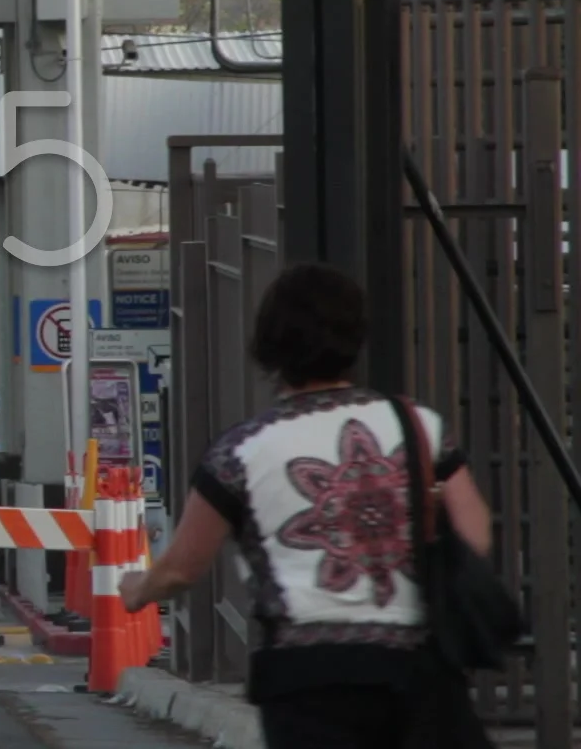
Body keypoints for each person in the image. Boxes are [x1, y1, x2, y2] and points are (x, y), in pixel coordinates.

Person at [120, 263, 496, 748]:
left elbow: (180, 569)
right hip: (417, 671)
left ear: (268, 345)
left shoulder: (240, 452)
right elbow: (475, 531)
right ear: (355, 338)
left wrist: (137, 591)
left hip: (306, 681)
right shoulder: (418, 426)